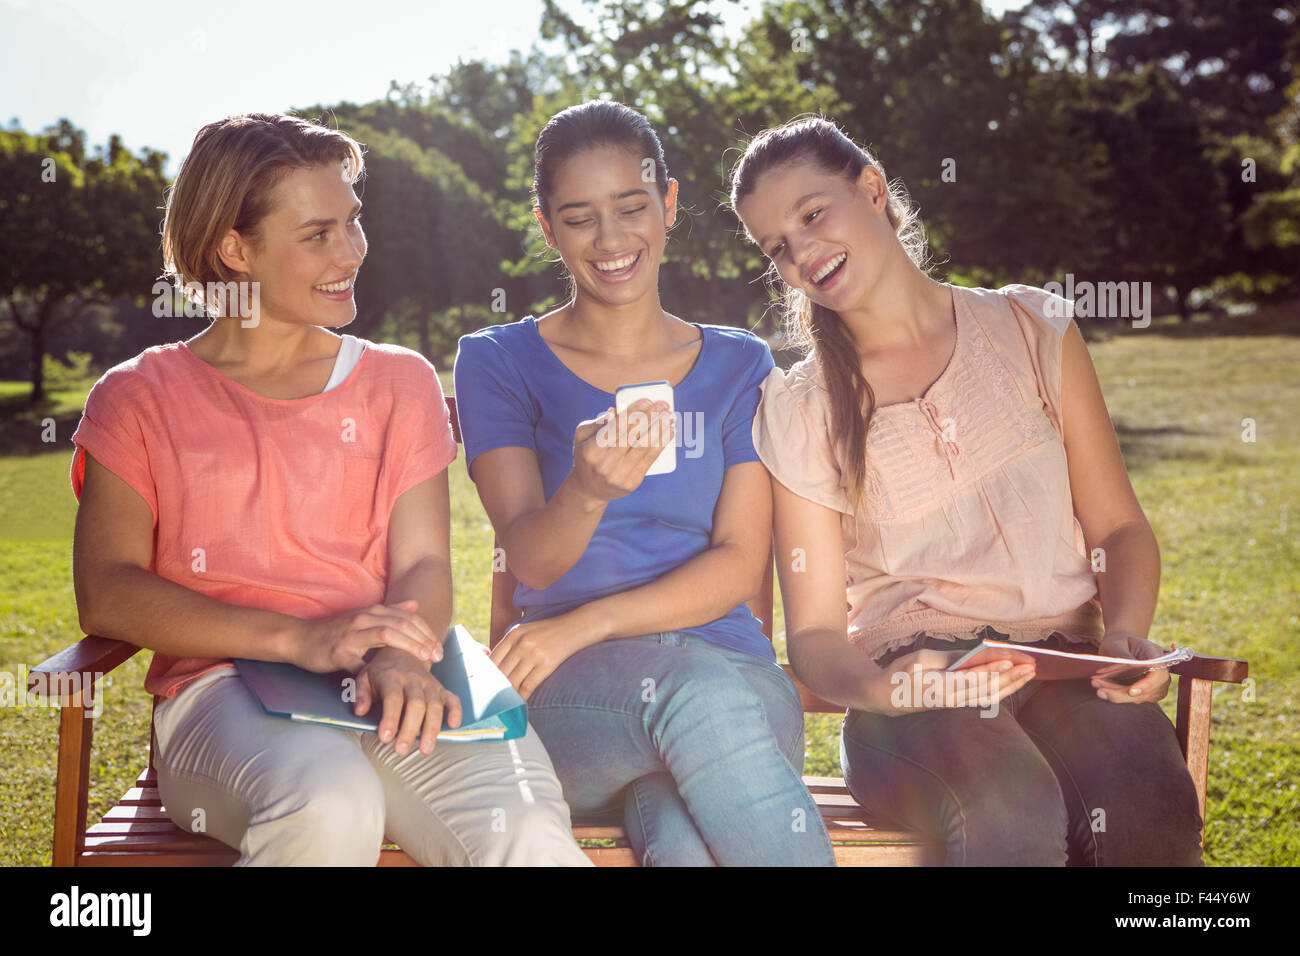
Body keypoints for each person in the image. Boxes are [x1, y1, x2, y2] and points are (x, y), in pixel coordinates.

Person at [69, 112, 590, 866]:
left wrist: (401, 656)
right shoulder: (138, 397)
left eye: (352, 223)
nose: (350, 252)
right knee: (330, 802)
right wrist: (301, 640)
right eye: (317, 235)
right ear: (234, 250)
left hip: (399, 675)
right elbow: (109, 592)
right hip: (221, 694)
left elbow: (423, 566)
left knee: (531, 835)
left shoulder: (397, 379)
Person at [729, 115, 1204, 866]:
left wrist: (1123, 636)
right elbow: (816, 638)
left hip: (1068, 662)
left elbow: (1118, 529)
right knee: (1008, 812)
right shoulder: (801, 406)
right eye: (776, 247)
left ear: (873, 188)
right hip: (914, 689)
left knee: (1151, 817)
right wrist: (893, 694)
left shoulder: (1031, 328)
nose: (801, 252)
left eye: (812, 214)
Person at [453, 100, 836, 866]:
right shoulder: (497, 362)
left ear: (666, 203)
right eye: (578, 217)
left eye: (631, 207)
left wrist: (586, 622)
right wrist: (587, 493)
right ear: (547, 227)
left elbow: (737, 559)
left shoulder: (739, 365)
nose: (611, 239)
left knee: (681, 827)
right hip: (574, 698)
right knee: (694, 699)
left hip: (729, 675)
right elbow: (530, 560)